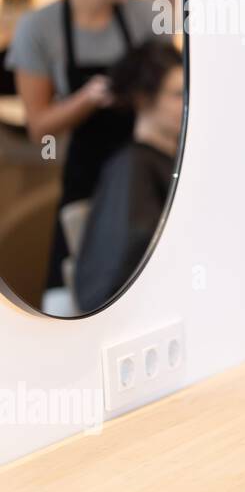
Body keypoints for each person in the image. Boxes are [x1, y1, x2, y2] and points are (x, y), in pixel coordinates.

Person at [5, 0, 158, 302]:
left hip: (142, 184)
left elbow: (170, 95)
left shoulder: (144, 17)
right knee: (69, 301)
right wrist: (87, 98)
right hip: (83, 185)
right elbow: (41, 128)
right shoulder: (40, 28)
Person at [73, 41, 183, 312]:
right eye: (178, 94)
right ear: (144, 98)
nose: (187, 103)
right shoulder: (132, 167)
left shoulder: (166, 162)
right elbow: (120, 265)